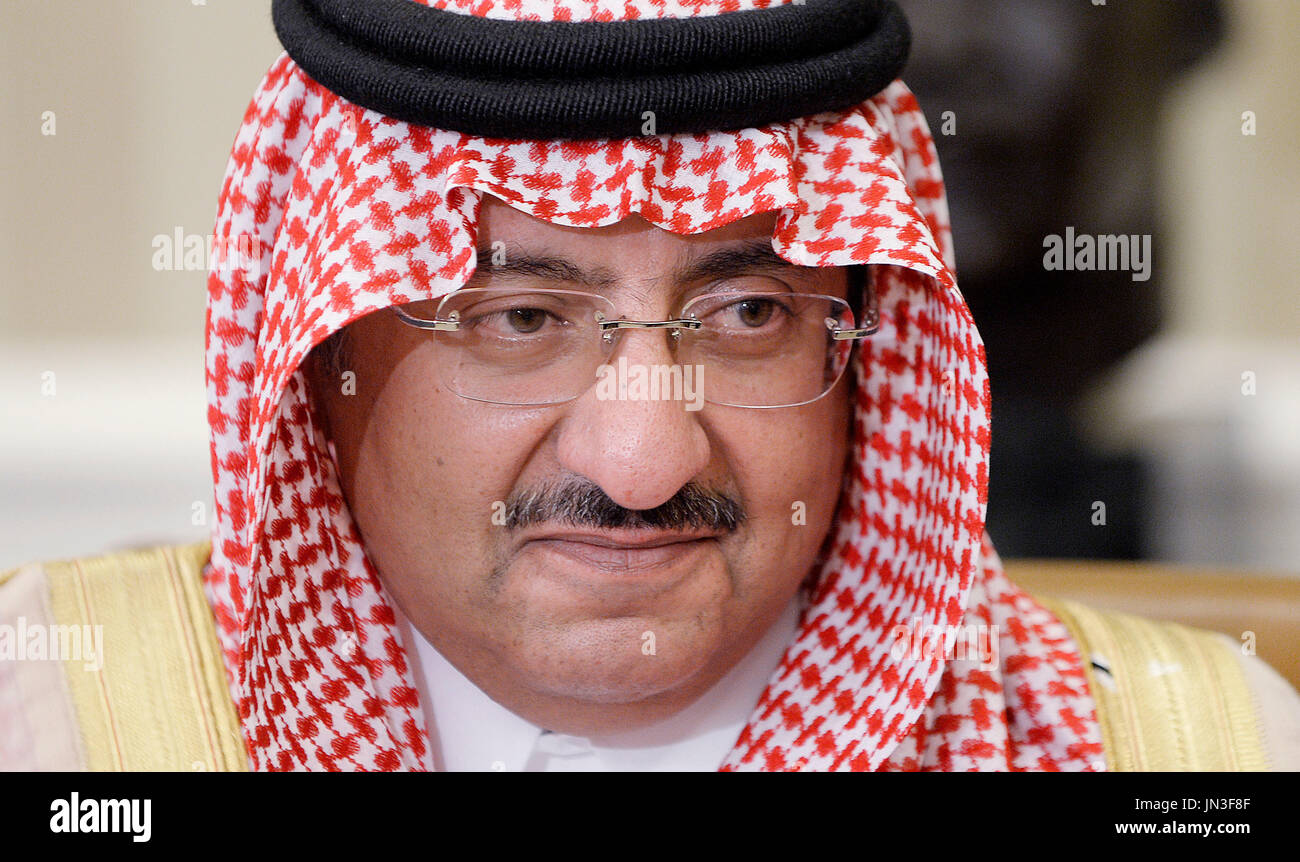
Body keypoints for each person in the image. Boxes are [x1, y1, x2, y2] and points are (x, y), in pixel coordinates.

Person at [2, 0, 1296, 772]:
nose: (644, 462)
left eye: (748, 313)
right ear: (323, 351)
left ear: (863, 339)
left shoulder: (1200, 754)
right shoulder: (63, 729)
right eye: (520, 316)